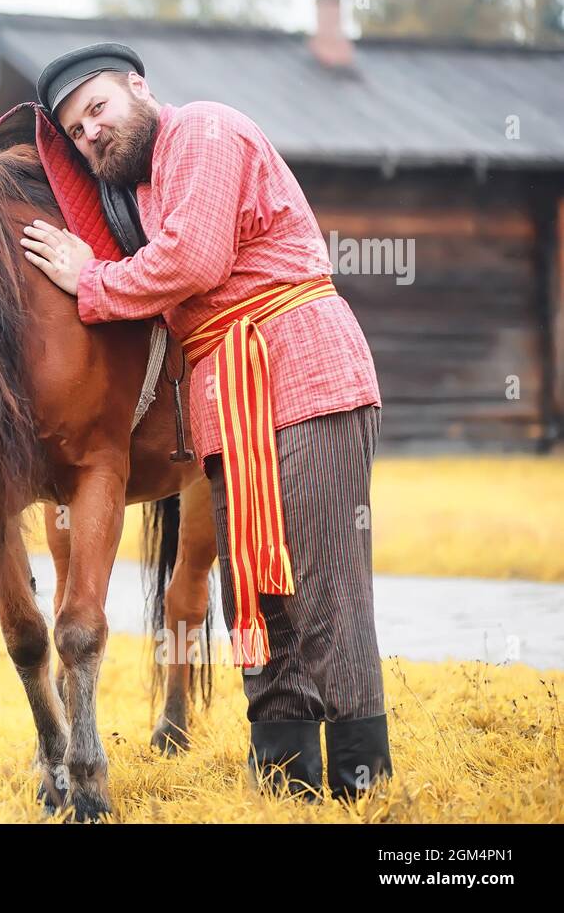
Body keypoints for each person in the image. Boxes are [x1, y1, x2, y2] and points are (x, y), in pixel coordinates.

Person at [21, 42, 392, 802]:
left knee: (323, 586)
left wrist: (88, 279)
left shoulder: (204, 134)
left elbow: (191, 261)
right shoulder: (150, 186)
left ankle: (362, 784)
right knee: (253, 591)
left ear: (138, 88)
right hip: (231, 397)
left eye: (99, 109)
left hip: (303, 368)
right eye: (78, 132)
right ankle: (286, 780)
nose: (91, 133)